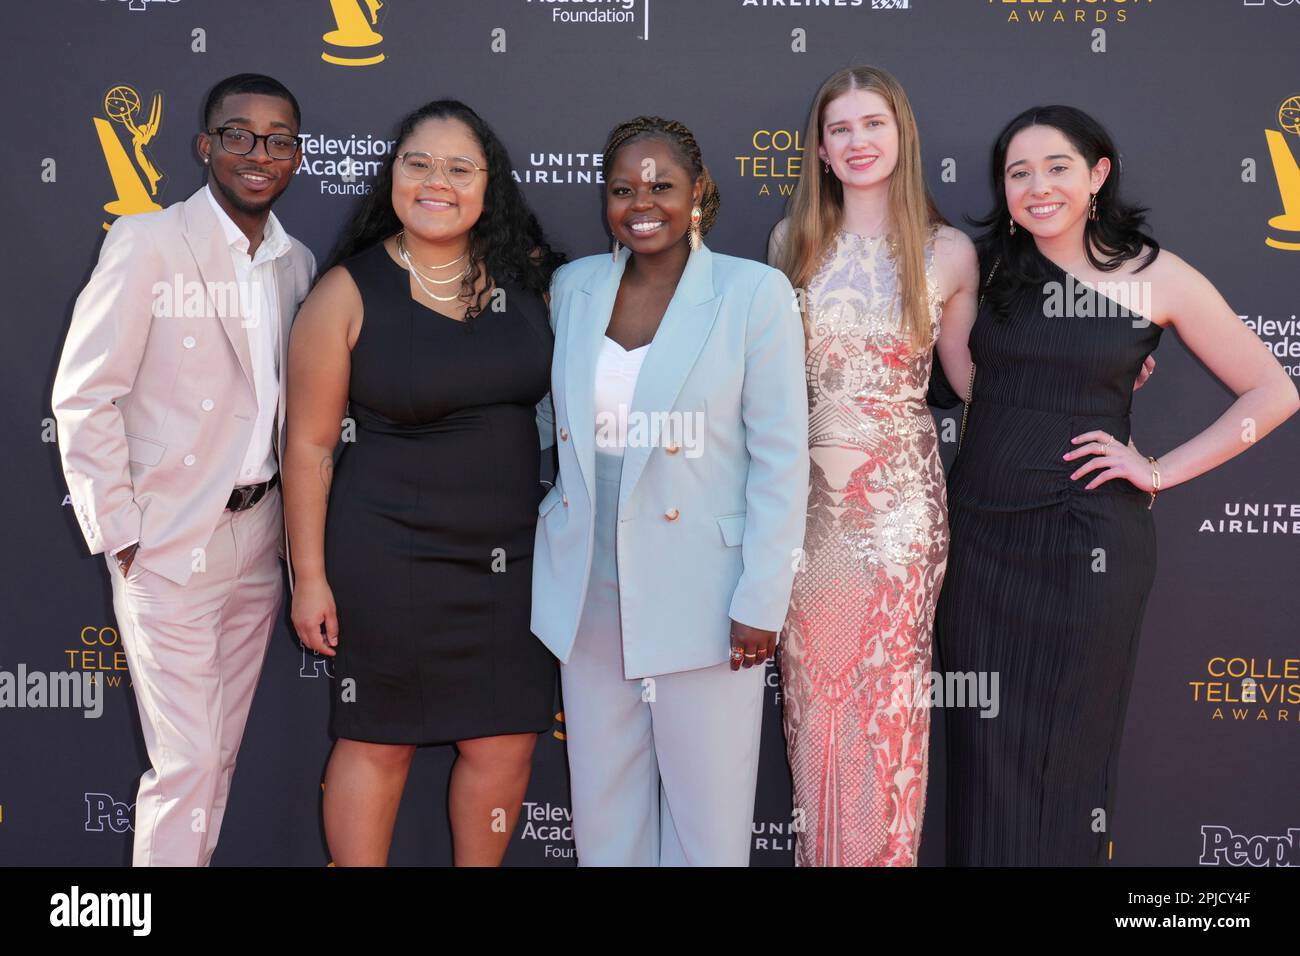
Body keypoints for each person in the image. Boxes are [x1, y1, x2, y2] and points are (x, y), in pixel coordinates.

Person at [934, 105, 1300, 865]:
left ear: (1098, 174)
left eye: (1058, 167)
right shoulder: (991, 267)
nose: (1038, 187)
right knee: (985, 761)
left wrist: (1157, 470)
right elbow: (973, 384)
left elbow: (1274, 392)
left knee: (1067, 760)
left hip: (1084, 549)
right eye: (1019, 172)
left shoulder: (1155, 275)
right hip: (979, 542)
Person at [284, 99, 565, 866]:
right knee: (376, 740)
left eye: (459, 168)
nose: (436, 182)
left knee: (505, 745)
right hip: (384, 556)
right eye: (418, 163)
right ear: (393, 176)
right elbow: (308, 444)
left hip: (511, 561)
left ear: (488, 186)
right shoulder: (346, 291)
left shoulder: (532, 283)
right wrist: (309, 576)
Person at [51, 73, 316, 866]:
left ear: (297, 156)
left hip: (257, 538)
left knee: (219, 756)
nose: (257, 153)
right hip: (168, 538)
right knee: (189, 762)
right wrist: (120, 532)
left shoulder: (295, 263)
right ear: (205, 146)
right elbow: (85, 393)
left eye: (277, 139)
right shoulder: (148, 240)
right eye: (238, 135)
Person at [530, 116, 809, 866]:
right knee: (603, 810)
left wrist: (760, 599)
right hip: (588, 583)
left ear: (699, 193)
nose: (640, 203)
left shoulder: (754, 293)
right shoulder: (573, 287)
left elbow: (782, 459)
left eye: (661, 186)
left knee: (707, 824)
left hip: (708, 593)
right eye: (622, 189)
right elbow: (550, 423)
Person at [768, 66, 979, 866]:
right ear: (820, 149)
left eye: (874, 124)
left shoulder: (950, 251)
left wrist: (1090, 374)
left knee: (885, 702)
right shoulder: (792, 245)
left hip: (899, 510)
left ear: (903, 136)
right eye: (841, 128)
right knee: (815, 700)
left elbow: (964, 375)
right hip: (808, 508)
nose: (859, 142)